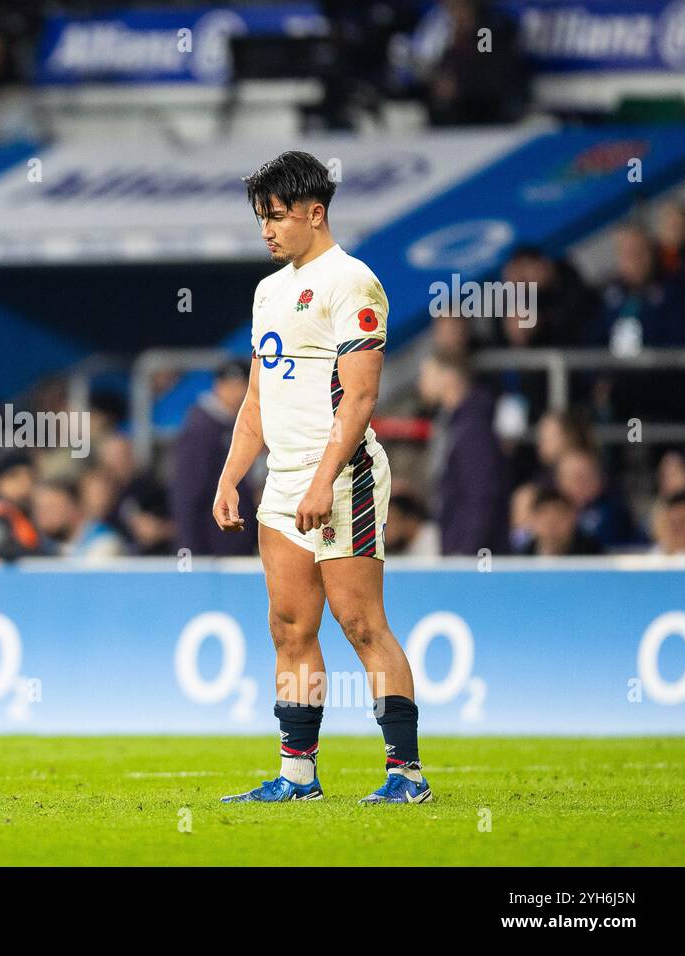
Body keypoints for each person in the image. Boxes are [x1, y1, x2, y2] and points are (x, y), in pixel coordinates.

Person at [211, 151, 431, 805]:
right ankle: (298, 774)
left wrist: (322, 479)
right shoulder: (268, 292)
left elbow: (361, 398)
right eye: (261, 219)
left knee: (361, 622)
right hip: (283, 480)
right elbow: (256, 399)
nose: (267, 231)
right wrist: (230, 477)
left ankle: (406, 774)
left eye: (276, 217)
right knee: (288, 625)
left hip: (344, 477)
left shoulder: (352, 283)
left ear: (315, 212)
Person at [418, 351, 509, 556]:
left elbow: (481, 494)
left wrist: (467, 551)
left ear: (449, 377)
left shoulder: (473, 427)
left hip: (473, 554)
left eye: (427, 375)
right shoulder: (455, 424)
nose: (421, 383)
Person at [169, 358, 258, 557]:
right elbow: (188, 492)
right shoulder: (201, 428)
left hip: (234, 540)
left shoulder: (237, 425)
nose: (235, 393)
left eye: (240, 385)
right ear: (218, 386)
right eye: (229, 385)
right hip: (212, 545)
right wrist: (190, 548)